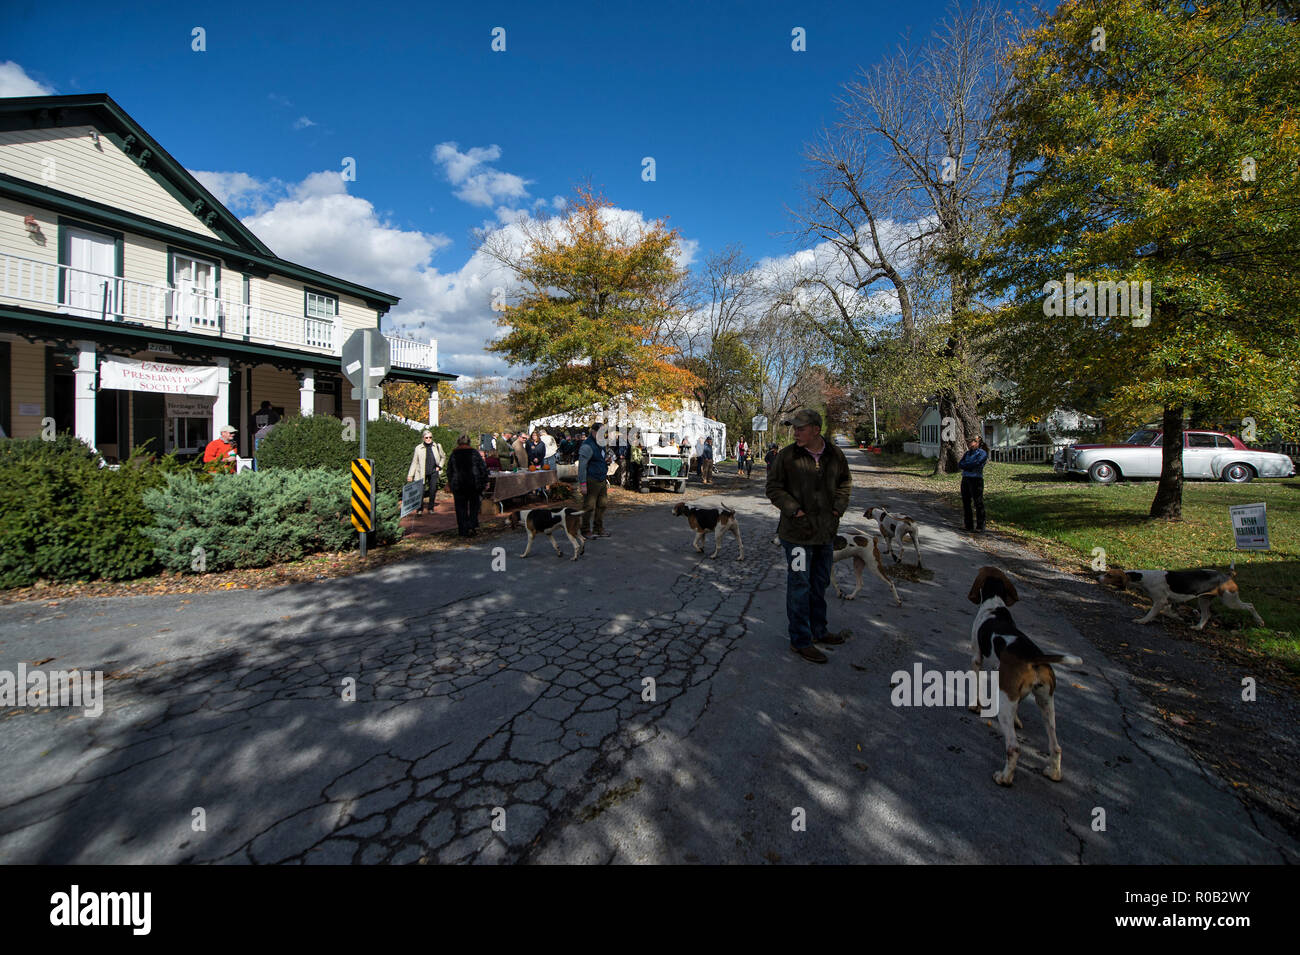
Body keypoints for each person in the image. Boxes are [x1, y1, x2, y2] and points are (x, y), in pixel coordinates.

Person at [765, 409, 853, 664]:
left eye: (800, 428)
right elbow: (773, 487)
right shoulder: (787, 456)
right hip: (797, 537)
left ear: (816, 429)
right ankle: (800, 640)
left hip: (825, 534)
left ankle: (819, 630)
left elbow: (845, 483)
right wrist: (795, 510)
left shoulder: (835, 455)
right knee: (800, 586)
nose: (796, 432)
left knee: (820, 583)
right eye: (794, 428)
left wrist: (838, 508)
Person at [446, 433, 488, 537]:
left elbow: (449, 471)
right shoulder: (474, 453)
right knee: (474, 507)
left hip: (459, 485)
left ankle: (463, 530)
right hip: (474, 484)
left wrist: (450, 483)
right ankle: (472, 526)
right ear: (469, 442)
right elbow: (482, 468)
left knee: (460, 508)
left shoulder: (454, 454)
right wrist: (485, 481)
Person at [577, 421, 610, 538]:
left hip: (601, 479)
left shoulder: (600, 444)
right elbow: (582, 466)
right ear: (593, 432)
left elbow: (600, 457)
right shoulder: (587, 446)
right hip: (591, 479)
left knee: (602, 504)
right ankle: (585, 530)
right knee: (589, 506)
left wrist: (606, 460)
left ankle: (598, 528)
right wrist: (583, 484)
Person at [407, 429, 446, 514]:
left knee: (432, 490)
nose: (428, 439)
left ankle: (431, 508)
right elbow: (414, 462)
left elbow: (443, 457)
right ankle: (419, 509)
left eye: (430, 437)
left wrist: (439, 466)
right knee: (420, 491)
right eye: (426, 437)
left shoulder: (437, 446)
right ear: (423, 438)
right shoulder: (418, 448)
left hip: (433, 472)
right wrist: (410, 475)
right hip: (421, 473)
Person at [958, 435, 989, 533]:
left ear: (977, 443)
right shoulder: (967, 453)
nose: (969, 444)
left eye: (971, 442)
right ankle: (968, 525)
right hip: (966, 478)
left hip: (976, 479)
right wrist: (968, 466)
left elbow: (977, 464)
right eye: (968, 443)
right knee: (966, 502)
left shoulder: (982, 453)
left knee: (978, 503)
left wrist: (968, 466)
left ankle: (980, 525)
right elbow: (960, 464)